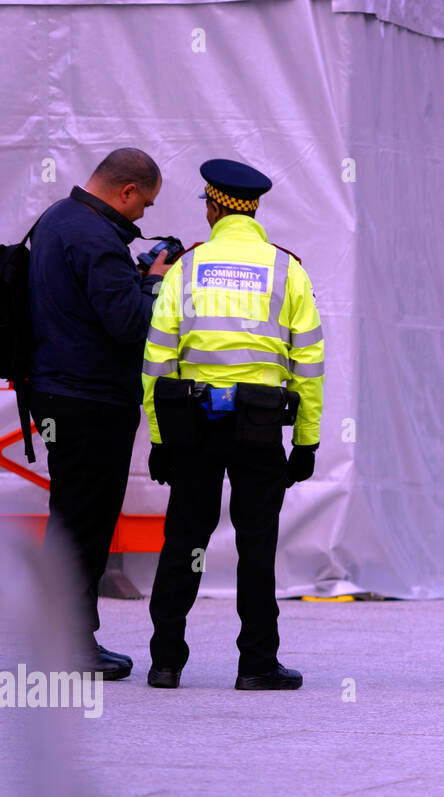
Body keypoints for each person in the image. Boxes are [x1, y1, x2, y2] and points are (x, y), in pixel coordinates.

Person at [141, 159, 324, 690]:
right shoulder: (287, 270)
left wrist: (159, 437)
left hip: (193, 425)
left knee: (185, 539)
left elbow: (157, 359)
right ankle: (257, 663)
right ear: (254, 207)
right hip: (260, 427)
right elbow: (308, 366)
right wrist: (306, 440)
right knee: (256, 541)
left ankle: (166, 661)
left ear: (214, 207)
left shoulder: (186, 268)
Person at [27, 147, 172, 680]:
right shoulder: (95, 236)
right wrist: (153, 281)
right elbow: (130, 324)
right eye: (145, 203)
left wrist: (133, 271)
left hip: (57, 391)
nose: (143, 215)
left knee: (70, 515)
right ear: (127, 190)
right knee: (85, 521)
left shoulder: (57, 219)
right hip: (89, 398)